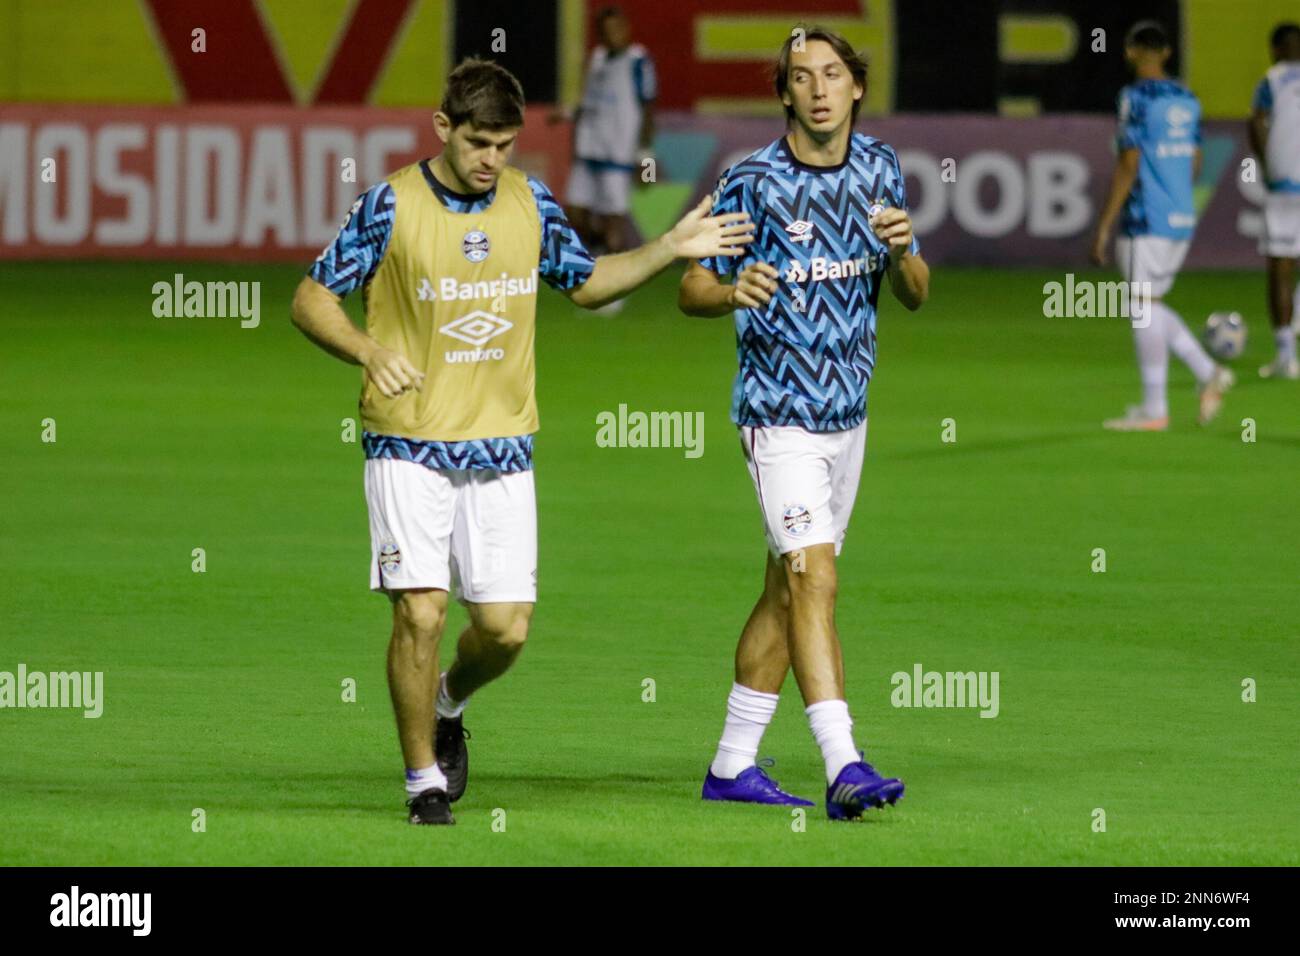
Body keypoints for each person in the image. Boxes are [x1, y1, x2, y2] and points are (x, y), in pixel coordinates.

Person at [291, 58, 752, 825]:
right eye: (477, 143)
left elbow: (585, 283)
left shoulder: (528, 200)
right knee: (422, 613)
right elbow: (310, 298)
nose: (490, 160)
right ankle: (422, 783)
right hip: (407, 441)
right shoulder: (390, 206)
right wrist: (369, 351)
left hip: (503, 444)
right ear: (443, 128)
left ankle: (448, 701)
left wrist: (670, 246)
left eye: (504, 145)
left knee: (503, 632)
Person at [678, 27, 929, 821]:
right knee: (813, 580)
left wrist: (904, 253)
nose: (818, 88)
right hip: (777, 415)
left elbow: (917, 293)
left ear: (856, 87)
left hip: (848, 420)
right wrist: (730, 292)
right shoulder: (749, 181)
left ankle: (731, 765)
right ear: (783, 94)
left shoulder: (881, 168)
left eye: (832, 74)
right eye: (800, 77)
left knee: (786, 596)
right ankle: (843, 761)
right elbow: (690, 286)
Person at [1090, 20, 1233, 431]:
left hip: (1146, 215)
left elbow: (1129, 161)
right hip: (1181, 214)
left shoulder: (1134, 97)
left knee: (1140, 306)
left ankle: (1157, 409)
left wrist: (1104, 225)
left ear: (1131, 52)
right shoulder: (1188, 99)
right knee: (1148, 304)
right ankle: (1206, 373)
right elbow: (1196, 162)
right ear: (1168, 53)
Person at [560, 5, 656, 315]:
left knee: (614, 222)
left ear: (626, 29)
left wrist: (644, 157)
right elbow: (590, 103)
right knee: (574, 215)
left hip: (618, 153)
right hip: (589, 150)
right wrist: (566, 114)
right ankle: (598, 259)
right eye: (605, 30)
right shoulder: (597, 60)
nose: (611, 36)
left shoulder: (638, 61)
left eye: (617, 29)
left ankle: (613, 294)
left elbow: (649, 110)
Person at [1248, 22, 1300, 380]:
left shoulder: (1272, 80)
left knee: (1281, 266)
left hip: (1285, 184)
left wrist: (1267, 165)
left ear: (1277, 49)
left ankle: (1286, 356)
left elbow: (1257, 123)